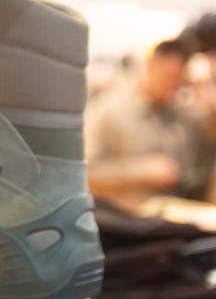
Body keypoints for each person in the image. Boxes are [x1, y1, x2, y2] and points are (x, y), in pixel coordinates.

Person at [86, 39, 212, 207]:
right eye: (169, 76)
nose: (175, 86)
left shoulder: (181, 114)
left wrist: (205, 89)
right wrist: (141, 171)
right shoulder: (110, 111)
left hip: (171, 212)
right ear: (151, 67)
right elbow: (88, 173)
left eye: (180, 80)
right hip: (121, 216)